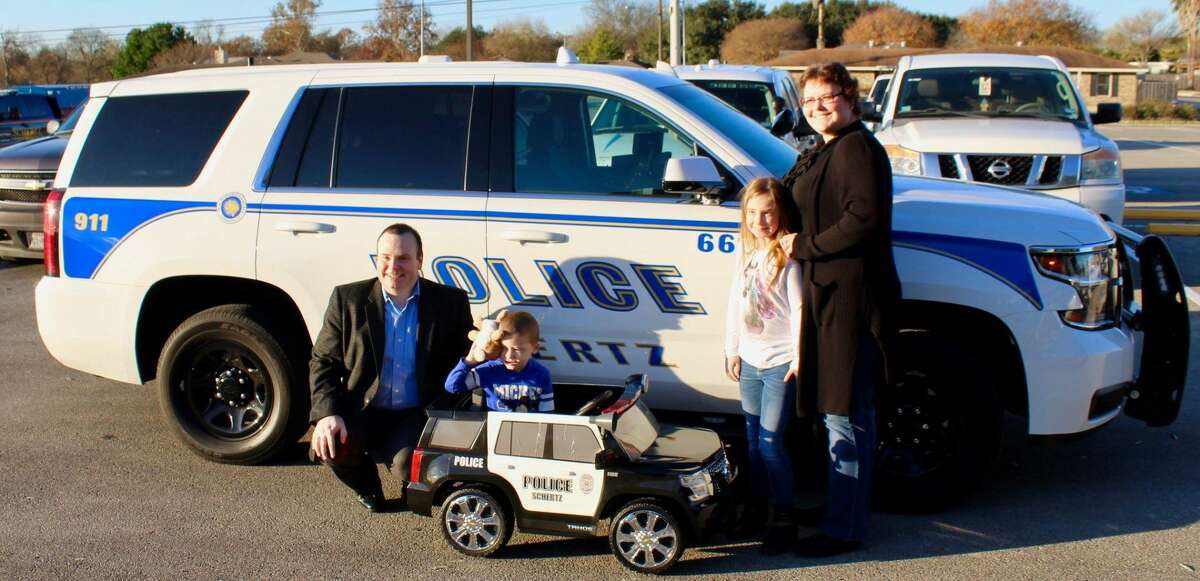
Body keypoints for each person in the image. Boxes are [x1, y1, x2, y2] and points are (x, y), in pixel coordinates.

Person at [778, 62, 902, 558]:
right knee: (837, 412)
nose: (818, 107)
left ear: (850, 98)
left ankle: (844, 528)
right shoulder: (828, 148)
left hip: (851, 303)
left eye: (827, 97)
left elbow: (862, 218)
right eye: (809, 101)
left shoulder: (855, 149)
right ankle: (840, 507)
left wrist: (804, 245)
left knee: (844, 413)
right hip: (830, 297)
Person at [309, 223, 473, 512]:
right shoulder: (346, 300)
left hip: (414, 411)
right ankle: (367, 486)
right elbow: (323, 361)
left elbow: (464, 360)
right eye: (385, 257)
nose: (393, 266)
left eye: (403, 258)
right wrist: (328, 414)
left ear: (420, 260)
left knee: (408, 463)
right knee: (331, 442)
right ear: (377, 259)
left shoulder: (450, 303)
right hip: (363, 407)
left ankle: (411, 482)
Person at [724, 177, 803, 556]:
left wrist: (799, 356)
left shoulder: (787, 259)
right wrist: (732, 350)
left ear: (781, 214)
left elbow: (801, 309)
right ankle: (755, 510)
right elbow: (735, 307)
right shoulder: (747, 254)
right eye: (753, 213)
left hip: (779, 363)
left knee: (772, 444)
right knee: (753, 443)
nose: (761, 220)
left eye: (768, 213)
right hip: (750, 362)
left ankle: (784, 519)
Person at [445, 310, 554, 412]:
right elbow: (452, 387)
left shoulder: (542, 374)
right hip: (495, 430)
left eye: (517, 349)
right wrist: (469, 361)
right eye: (504, 348)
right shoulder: (488, 370)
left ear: (535, 348)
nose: (509, 355)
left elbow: (547, 413)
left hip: (527, 430)